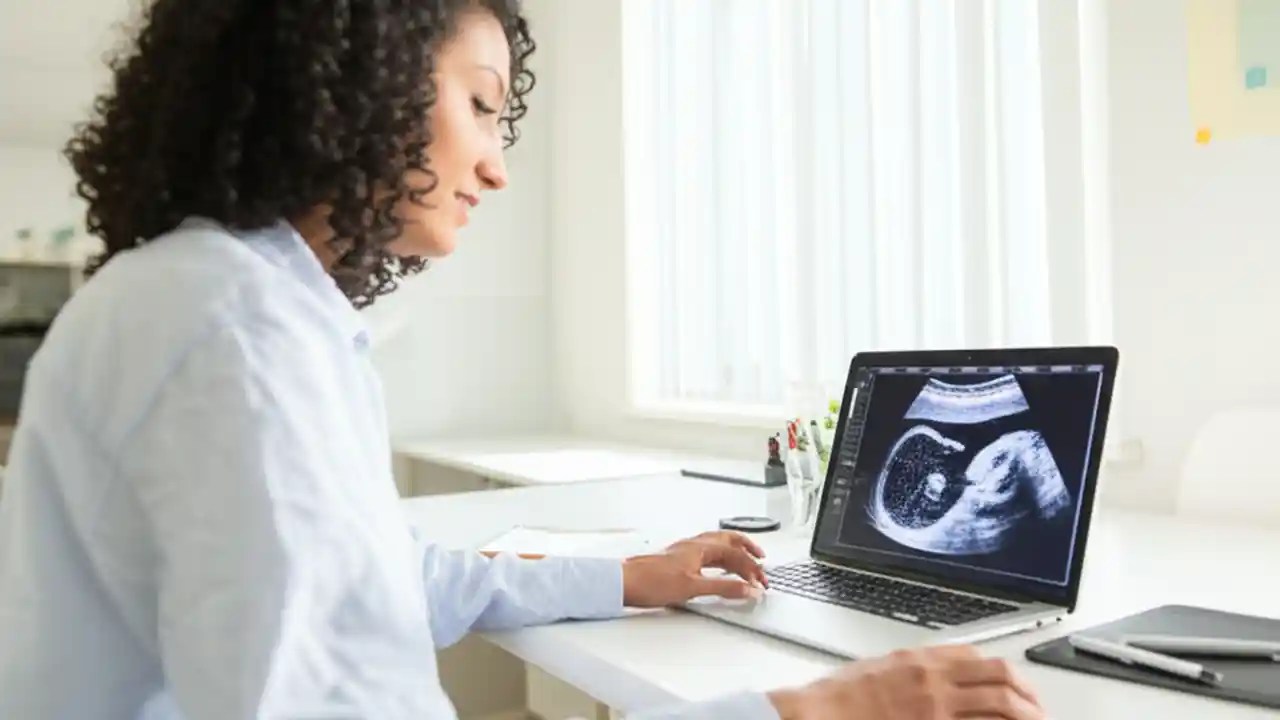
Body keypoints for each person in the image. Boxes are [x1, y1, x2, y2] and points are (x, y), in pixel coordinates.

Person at [0, 1, 1047, 718]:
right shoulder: (236, 330)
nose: (495, 168)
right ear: (359, 70)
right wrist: (803, 708)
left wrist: (629, 576)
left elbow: (379, 584)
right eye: (480, 103)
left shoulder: (217, 301)